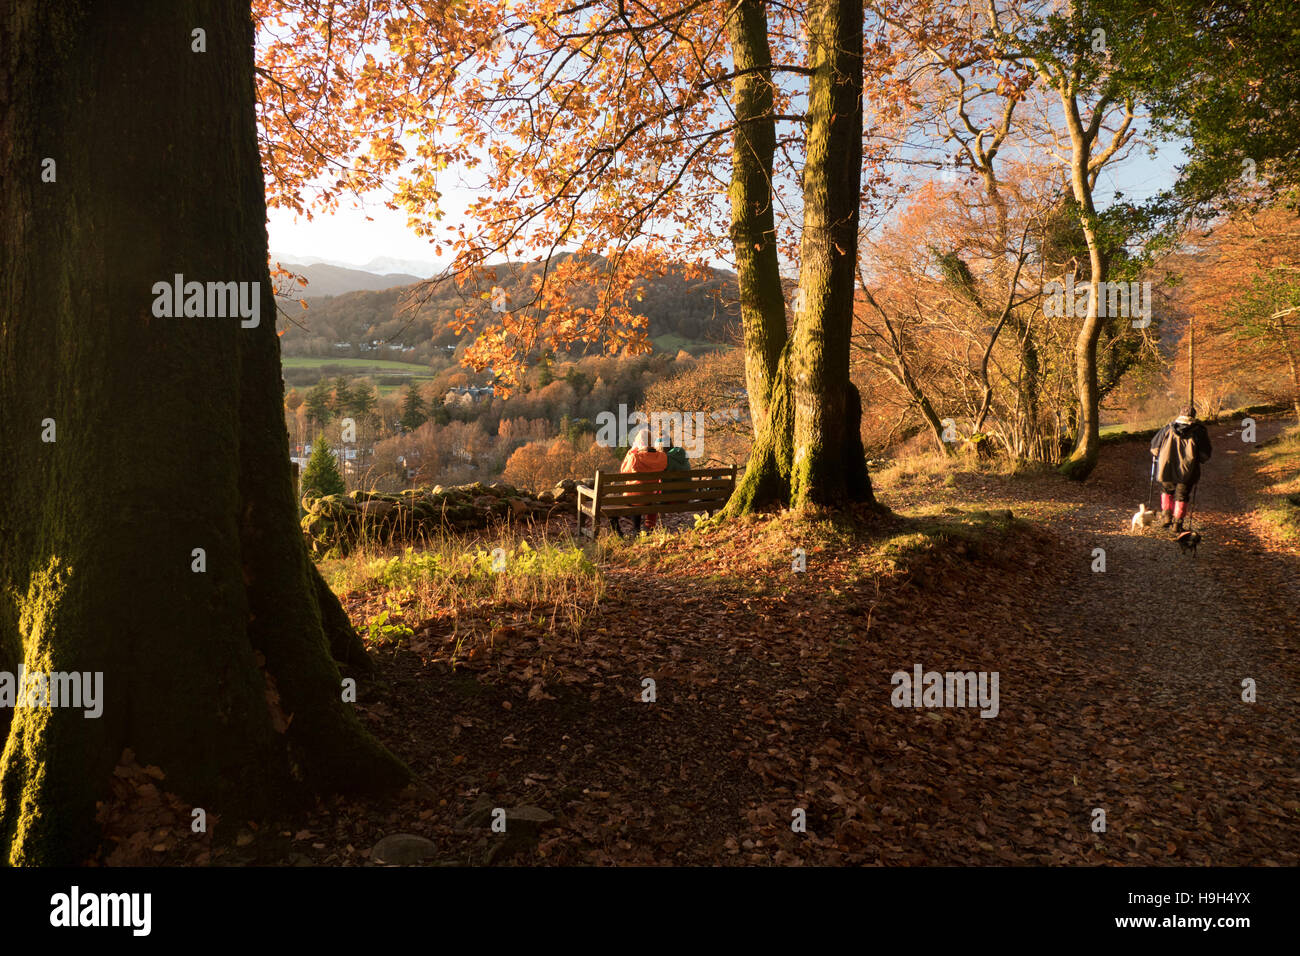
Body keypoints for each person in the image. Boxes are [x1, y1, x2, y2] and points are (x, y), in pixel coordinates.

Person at [1150, 405, 1212, 533]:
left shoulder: (1168, 428)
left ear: (1180, 414)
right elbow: (1205, 455)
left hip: (1166, 467)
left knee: (1166, 491)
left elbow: (1154, 448)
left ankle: (1167, 517)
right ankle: (1177, 524)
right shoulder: (1199, 431)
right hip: (1188, 470)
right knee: (1182, 496)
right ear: (1194, 416)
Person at [610, 428, 666, 535]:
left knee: (612, 502)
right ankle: (638, 529)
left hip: (634, 499)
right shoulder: (662, 457)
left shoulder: (634, 457)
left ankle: (619, 531)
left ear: (639, 442)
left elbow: (623, 472)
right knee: (640, 494)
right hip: (651, 497)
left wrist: (631, 451)